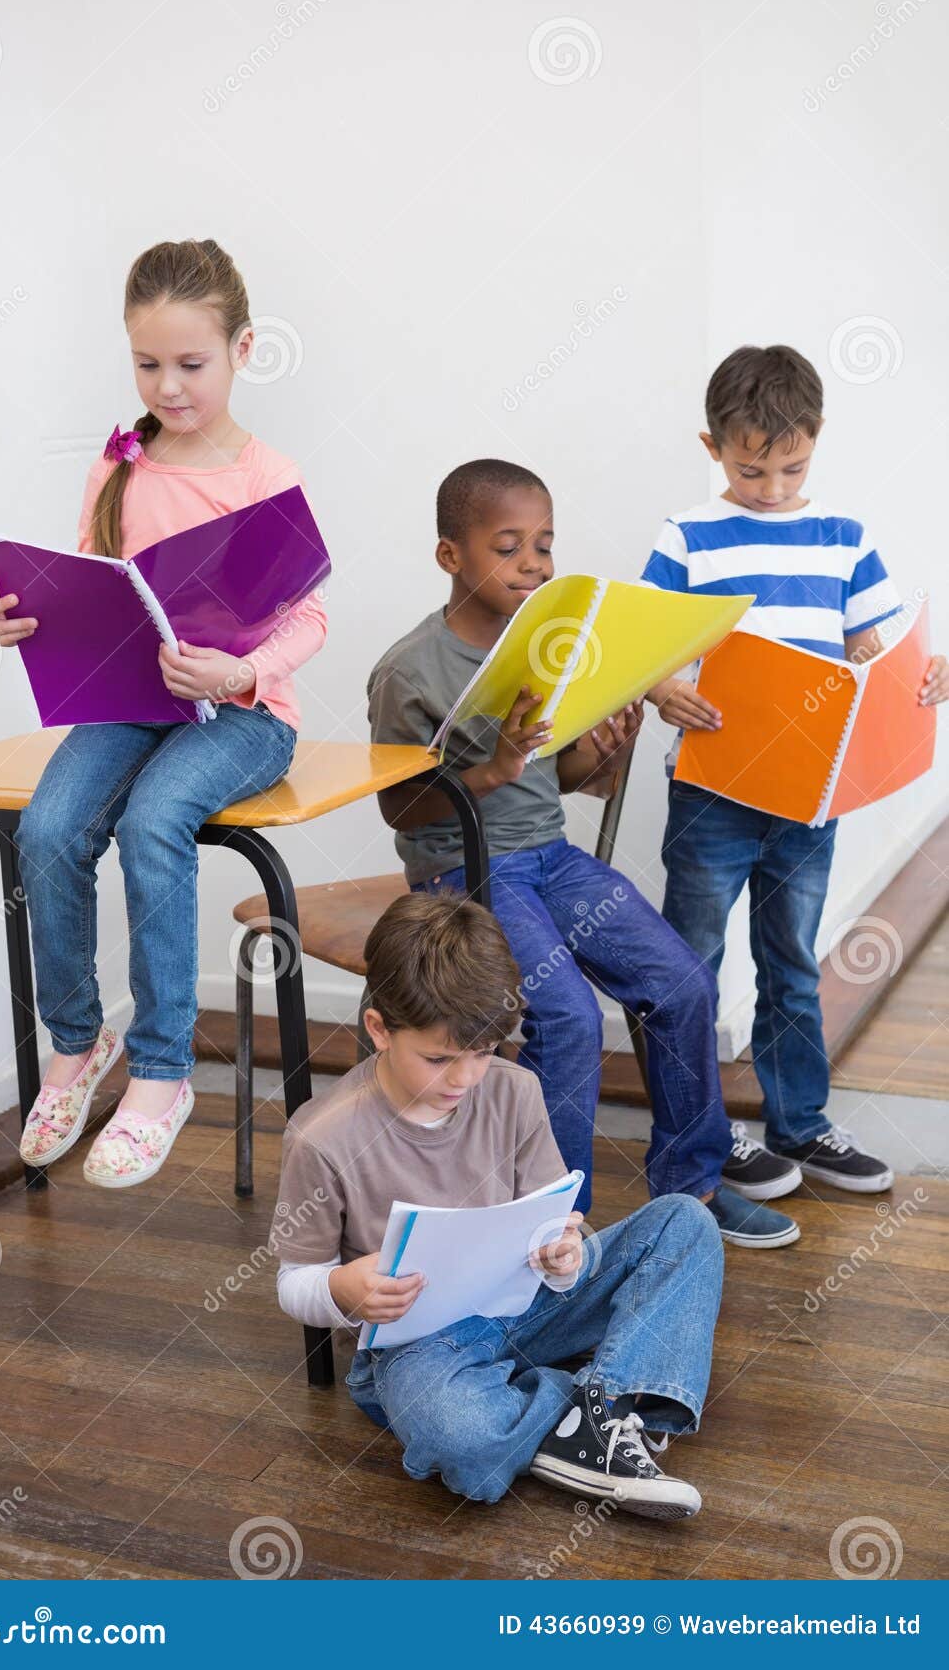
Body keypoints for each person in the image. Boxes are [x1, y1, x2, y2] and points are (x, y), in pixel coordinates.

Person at [366, 458, 798, 1247]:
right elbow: (398, 803)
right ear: (450, 556)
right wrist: (491, 768)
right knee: (564, 1014)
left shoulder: (547, 644)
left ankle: (689, 1194)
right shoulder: (409, 669)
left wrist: (599, 751)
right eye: (508, 546)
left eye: (543, 544)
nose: (533, 564)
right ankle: (553, 1226)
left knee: (680, 984)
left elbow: (552, 779)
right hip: (457, 870)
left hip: (549, 859)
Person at [0, 238, 326, 1187]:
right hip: (135, 707)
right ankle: (78, 1043)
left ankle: (164, 1070)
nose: (167, 386)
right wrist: (21, 615)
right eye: (146, 364)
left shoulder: (263, 473)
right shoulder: (119, 462)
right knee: (47, 827)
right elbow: (89, 584)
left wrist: (238, 673)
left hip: (245, 715)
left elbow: (309, 615)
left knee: (152, 819)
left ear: (242, 349)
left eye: (190, 364)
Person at [271, 891, 723, 1517]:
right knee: (460, 1437)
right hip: (418, 1347)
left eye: (482, 1052)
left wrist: (564, 1253)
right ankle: (603, 1407)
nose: (463, 1079)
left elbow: (552, 1224)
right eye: (438, 1058)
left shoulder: (515, 1089)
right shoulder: (322, 1137)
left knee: (685, 1223)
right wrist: (342, 1290)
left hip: (527, 1304)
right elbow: (295, 1280)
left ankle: (577, 1417)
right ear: (379, 1029)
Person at [642, 343, 947, 1193]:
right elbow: (647, 651)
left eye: (790, 468)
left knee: (792, 963)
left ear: (814, 440)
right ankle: (697, 1139)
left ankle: (800, 1127)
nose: (770, 488)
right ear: (712, 448)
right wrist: (666, 689)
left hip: (810, 797)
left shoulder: (843, 538)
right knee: (690, 965)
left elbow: (868, 654)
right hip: (712, 790)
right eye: (749, 470)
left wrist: (919, 675)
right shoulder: (688, 534)